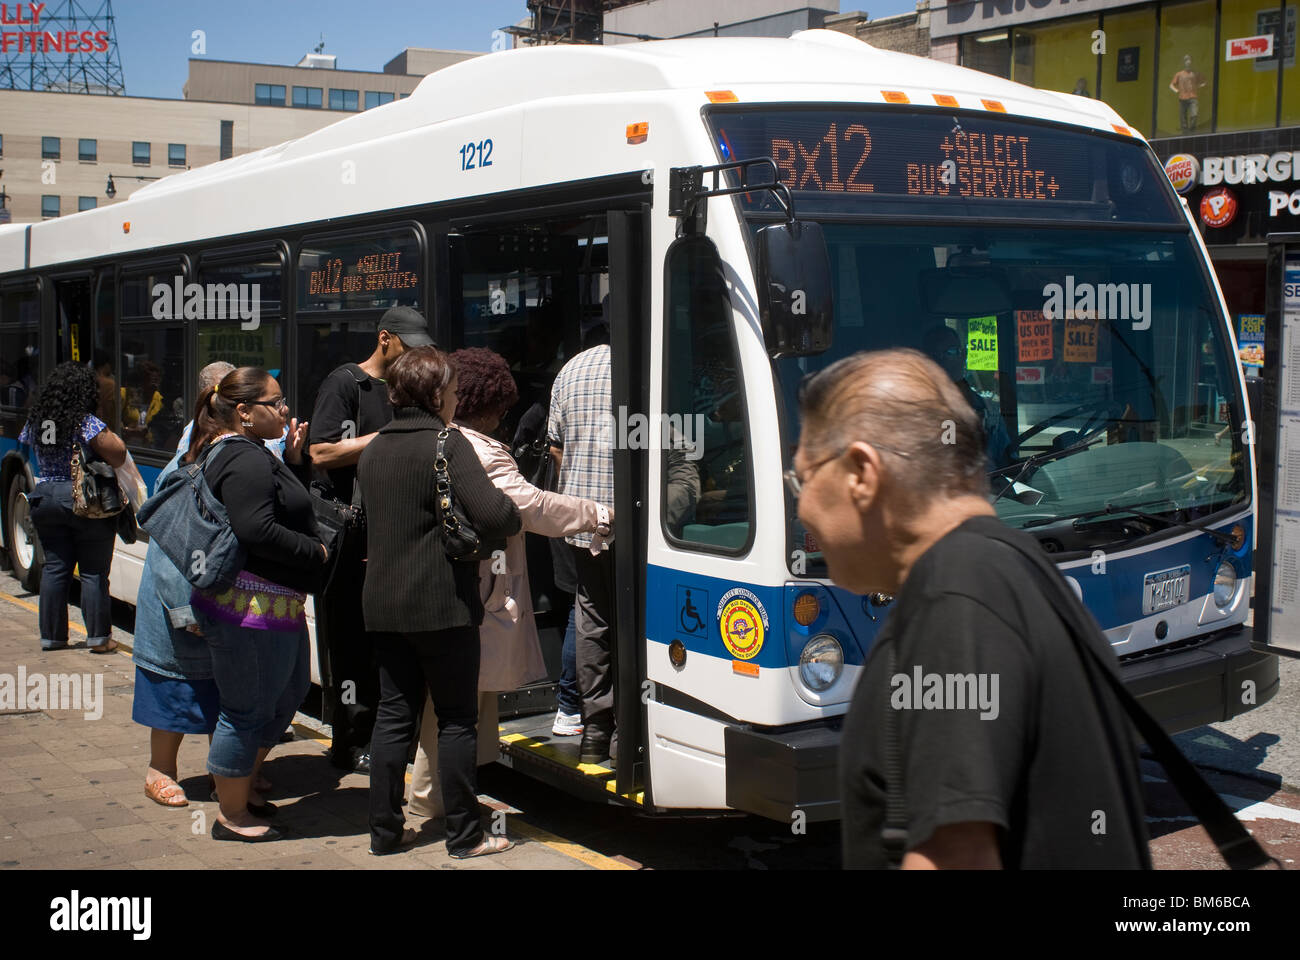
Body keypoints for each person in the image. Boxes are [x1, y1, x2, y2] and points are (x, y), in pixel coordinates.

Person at [791, 348, 1149, 869]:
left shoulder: (953, 598)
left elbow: (958, 857)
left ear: (862, 473)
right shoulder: (1015, 563)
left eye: (803, 478)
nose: (802, 505)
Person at [407, 347, 611, 817]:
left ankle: (440, 795)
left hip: (454, 591)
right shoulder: (479, 450)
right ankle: (436, 800)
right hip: (476, 594)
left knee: (453, 703)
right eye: (502, 404)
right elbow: (531, 507)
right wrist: (598, 513)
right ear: (490, 402)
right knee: (453, 707)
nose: (506, 414)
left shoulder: (440, 438)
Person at [358, 346, 520, 858]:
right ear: (433, 396)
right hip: (443, 606)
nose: (454, 401)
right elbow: (496, 514)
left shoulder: (374, 448)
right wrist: (512, 517)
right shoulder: (447, 444)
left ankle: (385, 834)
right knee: (454, 718)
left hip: (383, 606)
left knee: (393, 718)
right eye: (451, 393)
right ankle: (465, 837)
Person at [188, 367, 326, 841]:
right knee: (247, 708)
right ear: (245, 412)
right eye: (277, 403)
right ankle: (231, 815)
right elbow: (256, 530)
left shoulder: (253, 454)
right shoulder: (243, 459)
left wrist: (294, 462)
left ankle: (240, 787)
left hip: (272, 608)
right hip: (246, 609)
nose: (286, 411)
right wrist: (318, 551)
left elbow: (282, 505)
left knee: (285, 696)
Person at [307, 305, 434, 774]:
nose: (414, 355)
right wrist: (387, 437)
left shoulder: (404, 388)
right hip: (350, 537)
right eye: (408, 346)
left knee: (386, 645)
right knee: (349, 644)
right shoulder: (345, 384)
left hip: (390, 535)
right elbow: (320, 451)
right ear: (385, 339)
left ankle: (383, 737)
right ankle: (350, 741)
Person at [133, 362, 236, 807]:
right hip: (179, 607)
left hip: (219, 605)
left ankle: (227, 772)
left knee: (226, 691)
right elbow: (168, 551)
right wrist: (184, 609)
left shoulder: (232, 455)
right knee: (174, 689)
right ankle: (161, 770)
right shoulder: (188, 463)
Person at [547, 324, 618, 764]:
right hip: (635, 525)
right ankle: (626, 732)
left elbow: (555, 447)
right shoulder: (649, 364)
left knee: (592, 618)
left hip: (581, 519)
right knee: (630, 625)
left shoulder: (571, 368)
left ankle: (594, 729)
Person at [21, 361, 128, 653]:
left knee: (56, 568)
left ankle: (53, 638)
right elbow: (118, 454)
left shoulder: (38, 421)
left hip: (44, 496)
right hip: (81, 499)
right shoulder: (85, 422)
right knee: (93, 571)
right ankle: (99, 638)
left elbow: (29, 446)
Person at [922, 324, 1013, 470]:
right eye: (936, 355)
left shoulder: (986, 407)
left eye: (955, 351)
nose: (944, 360)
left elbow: (1004, 457)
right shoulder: (921, 410)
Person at [1169, 54, 1206, 133]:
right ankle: (1185, 132)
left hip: (1193, 97)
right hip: (1183, 97)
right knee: (1183, 116)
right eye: (1186, 60)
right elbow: (1171, 85)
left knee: (1194, 114)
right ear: (1184, 62)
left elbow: (1204, 82)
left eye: (1189, 60)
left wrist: (1198, 87)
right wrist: (1177, 90)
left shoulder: (1195, 73)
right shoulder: (1179, 74)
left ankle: (1192, 130)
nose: (1188, 62)